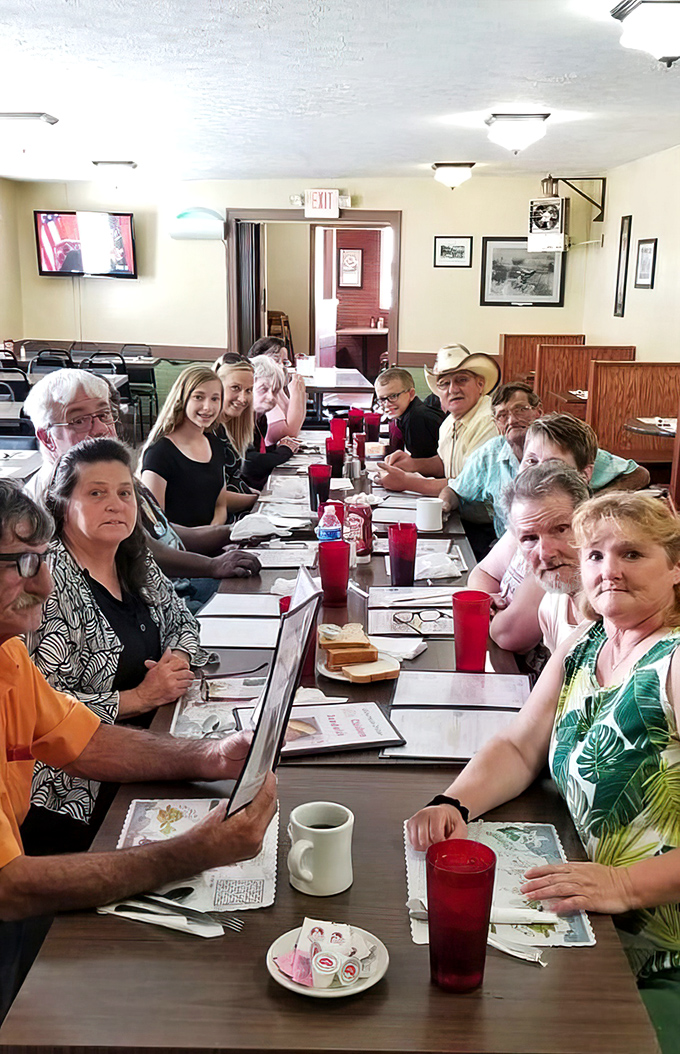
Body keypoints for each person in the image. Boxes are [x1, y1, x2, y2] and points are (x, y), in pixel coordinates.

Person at [407, 492, 680, 1054]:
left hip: (658, 953)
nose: (610, 570)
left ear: (675, 567)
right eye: (597, 555)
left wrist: (624, 884)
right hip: (584, 908)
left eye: (633, 554)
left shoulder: (674, 663)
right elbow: (519, 745)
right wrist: (453, 803)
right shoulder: (587, 643)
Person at [0, 480, 275, 1020]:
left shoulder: (8, 651)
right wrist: (191, 852)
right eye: (26, 565)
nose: (47, 581)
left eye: (44, 561)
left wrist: (207, 755)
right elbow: (10, 888)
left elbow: (85, 740)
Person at [23, 437, 208, 854]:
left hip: (152, 741)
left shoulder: (133, 558)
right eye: (96, 493)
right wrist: (140, 697)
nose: (115, 504)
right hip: (73, 788)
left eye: (125, 492)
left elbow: (184, 620)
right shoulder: (45, 582)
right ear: (62, 505)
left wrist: (176, 659)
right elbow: (41, 712)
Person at [23, 369, 261, 607]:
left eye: (104, 415)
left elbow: (161, 531)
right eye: (79, 421)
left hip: (176, 590)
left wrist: (235, 532)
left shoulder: (110, 473)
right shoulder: (56, 497)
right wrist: (213, 565)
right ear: (46, 438)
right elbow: (142, 549)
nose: (99, 429)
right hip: (152, 608)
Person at [469, 413, 645, 611]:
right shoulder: (528, 523)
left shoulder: (568, 547)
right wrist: (487, 601)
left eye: (553, 464)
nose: (538, 472)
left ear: (584, 474)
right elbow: (482, 573)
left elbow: (509, 636)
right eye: (531, 462)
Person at [440, 388, 649, 537]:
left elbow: (639, 474)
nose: (512, 420)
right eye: (502, 415)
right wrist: (442, 505)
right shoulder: (488, 455)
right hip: (512, 547)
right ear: (496, 424)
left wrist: (594, 502)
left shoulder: (563, 445)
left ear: (538, 411)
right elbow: (456, 491)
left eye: (520, 409)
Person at [489, 461, 591, 655]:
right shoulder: (552, 604)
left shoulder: (616, 609)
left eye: (561, 529)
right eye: (529, 538)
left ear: (589, 523)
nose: (545, 553)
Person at [376, 344, 500, 496]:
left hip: (480, 519)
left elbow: (471, 485)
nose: (453, 389)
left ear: (480, 384)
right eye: (445, 383)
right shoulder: (450, 422)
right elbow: (444, 463)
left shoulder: (489, 421)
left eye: (462, 380)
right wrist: (411, 463)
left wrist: (407, 482)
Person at [141, 366, 232, 527]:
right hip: (178, 547)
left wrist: (213, 532)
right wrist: (204, 539)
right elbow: (156, 523)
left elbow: (220, 504)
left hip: (215, 542)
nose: (207, 407)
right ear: (182, 399)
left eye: (215, 399)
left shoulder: (215, 444)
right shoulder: (160, 453)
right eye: (198, 397)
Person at [242, 355, 300, 491]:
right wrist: (284, 451)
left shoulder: (261, 418)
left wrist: (277, 448)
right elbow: (249, 463)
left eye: (275, 391)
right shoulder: (241, 419)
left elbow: (259, 454)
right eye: (263, 389)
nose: (270, 397)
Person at [213, 357, 259, 519]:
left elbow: (234, 482)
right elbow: (212, 497)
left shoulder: (226, 428)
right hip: (220, 527)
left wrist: (265, 497)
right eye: (235, 388)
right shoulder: (206, 432)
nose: (243, 398)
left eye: (248, 390)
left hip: (237, 517)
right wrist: (260, 499)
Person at [245, 336, 307, 444]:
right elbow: (287, 434)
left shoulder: (277, 389)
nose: (282, 367)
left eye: (285, 362)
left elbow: (299, 423)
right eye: (277, 361)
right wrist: (297, 394)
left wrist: (300, 392)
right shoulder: (262, 391)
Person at [374, 366, 445, 459]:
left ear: (411, 394)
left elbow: (424, 464)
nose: (387, 404)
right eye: (382, 399)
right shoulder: (409, 413)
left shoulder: (416, 418)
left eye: (393, 396)